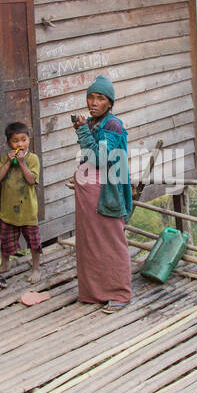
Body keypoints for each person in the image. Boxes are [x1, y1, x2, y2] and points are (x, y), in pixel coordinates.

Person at [72, 74, 133, 312]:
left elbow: (101, 158)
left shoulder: (113, 125)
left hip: (108, 193)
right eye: (90, 97)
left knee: (111, 243)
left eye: (100, 98)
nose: (93, 102)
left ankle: (119, 294)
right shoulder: (93, 122)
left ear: (110, 103)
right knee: (90, 243)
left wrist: (82, 132)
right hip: (91, 195)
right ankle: (94, 292)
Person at [0, 121, 43, 286]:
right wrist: (8, 162)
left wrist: (21, 163)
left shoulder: (32, 159)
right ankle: (4, 264)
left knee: (33, 242)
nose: (20, 144)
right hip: (9, 211)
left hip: (27, 211)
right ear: (8, 143)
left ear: (29, 140)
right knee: (6, 241)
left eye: (23, 139)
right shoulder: (6, 158)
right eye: (15, 141)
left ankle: (36, 268)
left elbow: (32, 180)